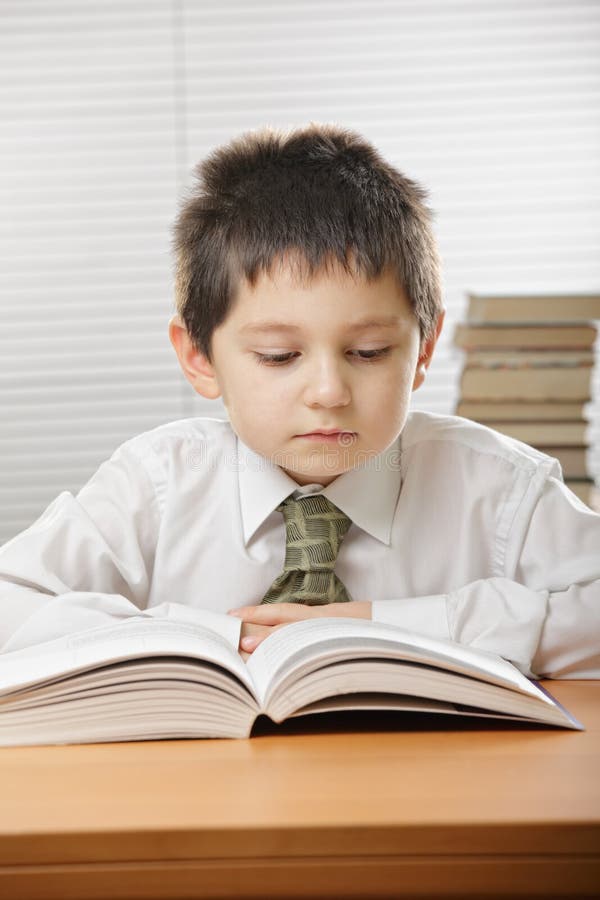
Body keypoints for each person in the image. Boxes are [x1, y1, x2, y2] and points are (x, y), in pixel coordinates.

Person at [1, 124, 598, 678]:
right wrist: (204, 638)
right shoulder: (157, 485)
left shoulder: (496, 488)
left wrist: (390, 629)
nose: (329, 392)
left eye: (368, 352)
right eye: (279, 356)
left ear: (424, 349)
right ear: (200, 357)